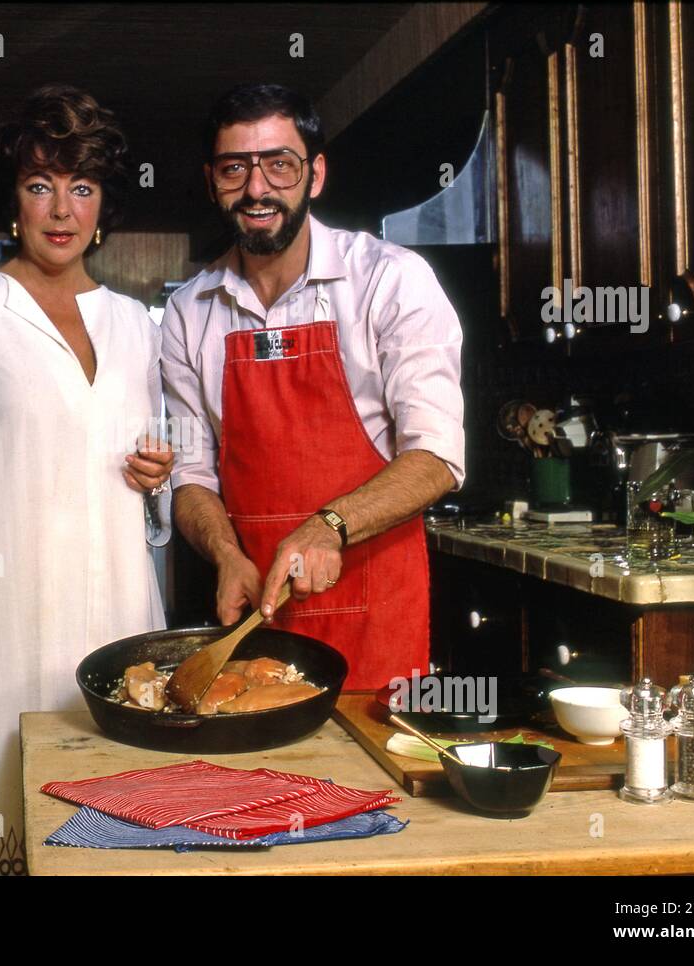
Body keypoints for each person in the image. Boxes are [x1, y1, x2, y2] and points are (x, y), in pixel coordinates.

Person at [0, 84, 173, 876]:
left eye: (81, 188)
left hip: (119, 594)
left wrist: (159, 474)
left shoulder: (136, 324)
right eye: (40, 185)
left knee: (120, 795)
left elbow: (155, 457)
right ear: (13, 201)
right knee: (10, 803)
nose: (62, 209)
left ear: (102, 205)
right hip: (10, 600)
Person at [161, 83, 465, 691]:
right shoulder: (187, 311)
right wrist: (225, 555)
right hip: (254, 618)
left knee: (373, 784)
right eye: (234, 169)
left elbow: (437, 458)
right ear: (211, 180)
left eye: (279, 164)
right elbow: (190, 475)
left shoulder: (391, 282)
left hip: (375, 611)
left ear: (315, 174)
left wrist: (330, 526)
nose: (256, 189)